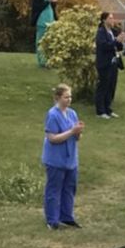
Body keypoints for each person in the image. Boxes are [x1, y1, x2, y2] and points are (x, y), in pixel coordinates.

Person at [41, 84, 83, 230]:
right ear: (58, 98)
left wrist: (78, 132)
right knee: (54, 189)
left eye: (70, 96)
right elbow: (52, 138)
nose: (69, 100)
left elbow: (77, 137)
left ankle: (67, 216)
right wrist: (72, 131)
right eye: (66, 97)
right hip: (55, 159)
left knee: (69, 189)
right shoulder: (52, 115)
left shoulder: (72, 113)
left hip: (70, 158)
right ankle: (52, 219)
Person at [95, 12, 125, 119]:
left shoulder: (112, 32)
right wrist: (115, 41)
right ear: (104, 20)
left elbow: (118, 47)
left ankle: (108, 108)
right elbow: (104, 46)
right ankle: (100, 111)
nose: (112, 20)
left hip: (113, 63)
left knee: (111, 86)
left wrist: (120, 41)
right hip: (104, 63)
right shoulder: (101, 32)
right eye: (110, 18)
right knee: (103, 86)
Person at [30, 0, 59, 68]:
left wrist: (54, 1)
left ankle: (50, 61)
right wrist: (47, 1)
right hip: (41, 19)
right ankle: (42, 61)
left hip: (50, 18)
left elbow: (53, 5)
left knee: (51, 41)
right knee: (41, 41)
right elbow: (37, 7)